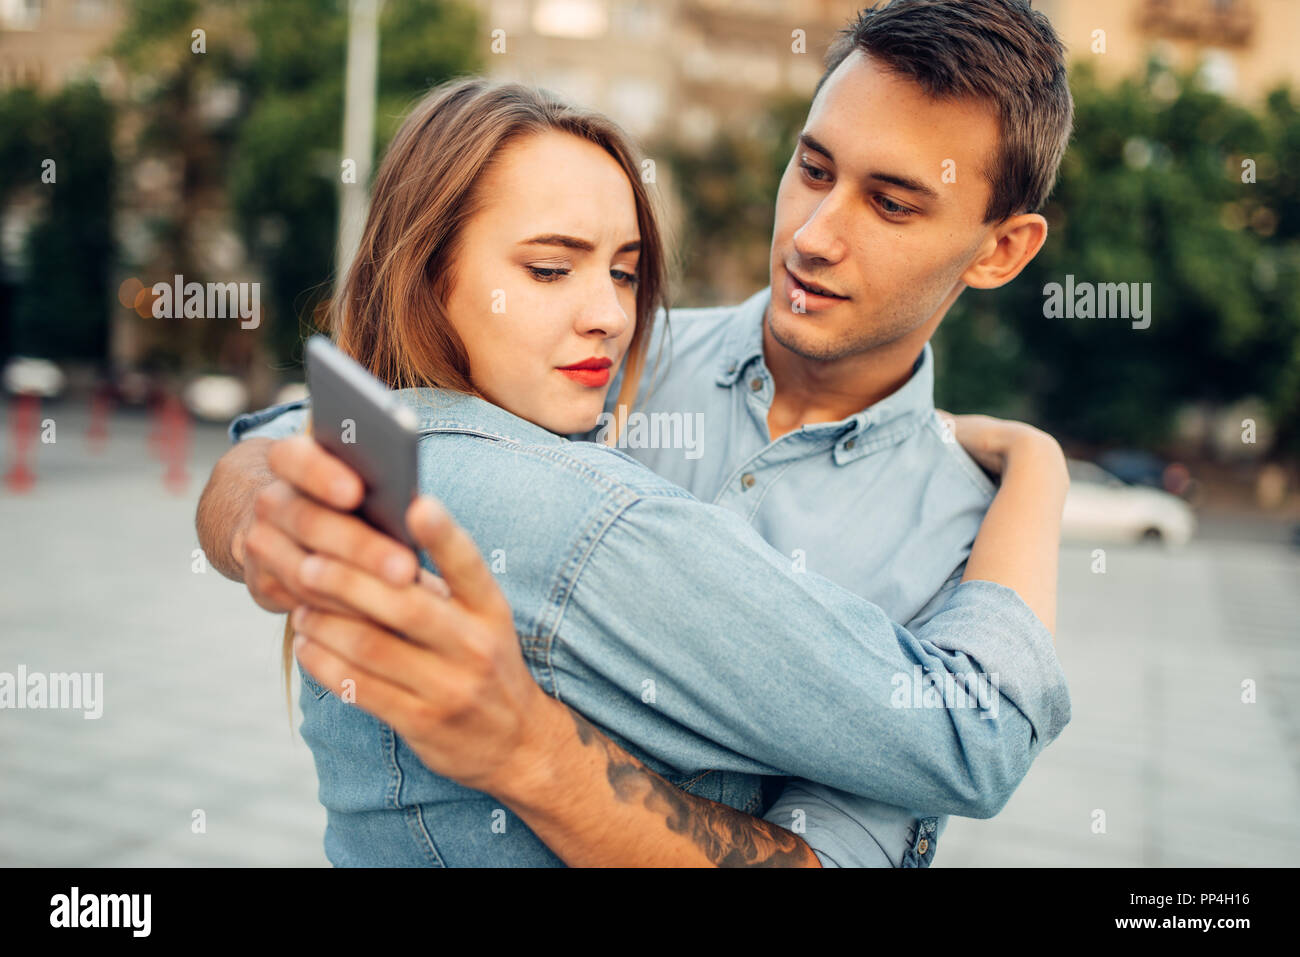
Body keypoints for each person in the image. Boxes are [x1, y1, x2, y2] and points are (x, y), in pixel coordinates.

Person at [198, 0, 1074, 866]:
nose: (812, 236)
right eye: (812, 169)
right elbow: (332, 424)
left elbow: (847, 853)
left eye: (889, 204)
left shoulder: (978, 561)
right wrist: (255, 521)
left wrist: (1036, 473)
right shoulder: (596, 350)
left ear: (1002, 250)